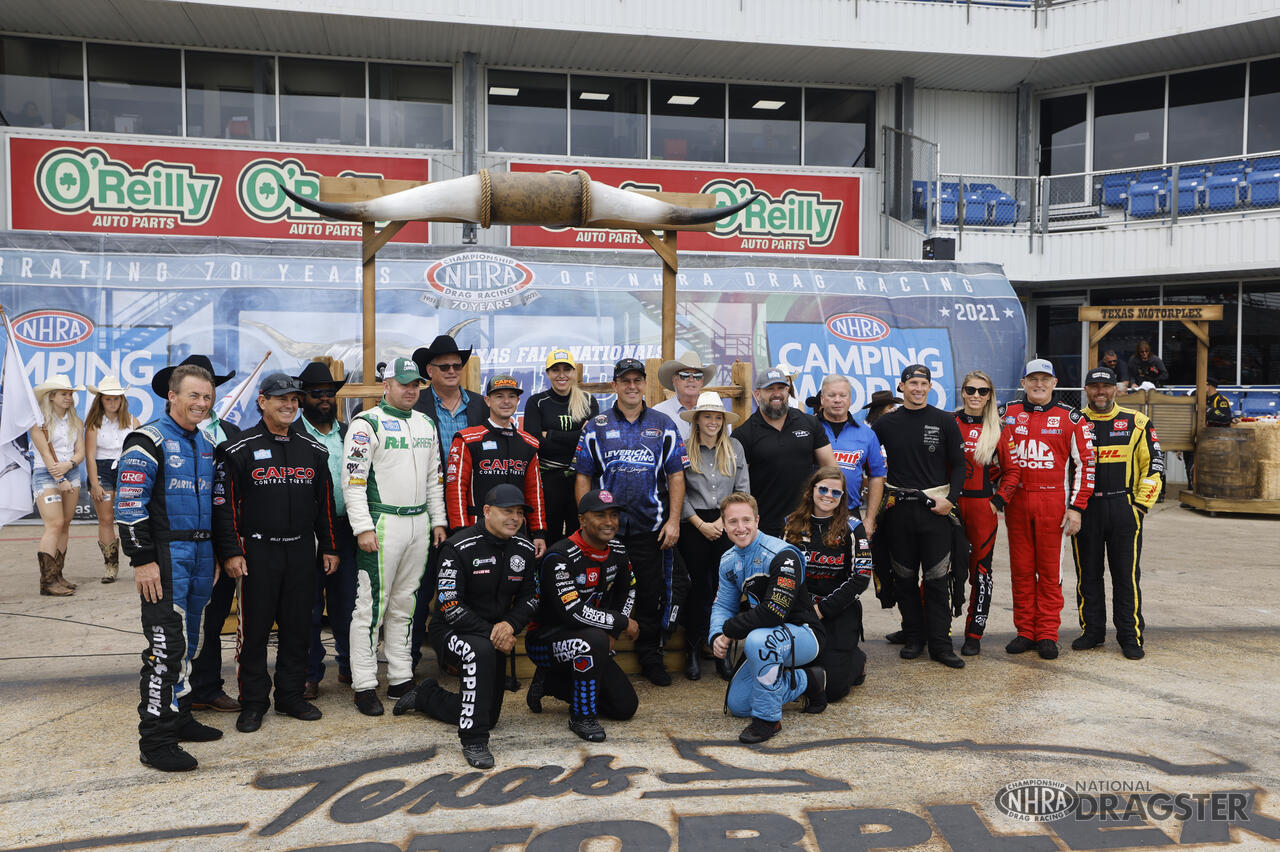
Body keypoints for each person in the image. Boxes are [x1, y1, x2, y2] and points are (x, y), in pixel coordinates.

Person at [213, 373, 339, 733]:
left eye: (294, 399)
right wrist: (232, 552)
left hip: (301, 551)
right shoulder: (238, 448)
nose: (289, 405)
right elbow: (225, 507)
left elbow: (325, 506)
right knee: (253, 632)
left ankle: (290, 696)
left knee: (298, 628)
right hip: (256, 553)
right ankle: (253, 702)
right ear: (262, 401)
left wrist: (329, 546)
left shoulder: (314, 450)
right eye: (281, 398)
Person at [116, 362, 222, 772]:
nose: (201, 403)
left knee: (191, 643)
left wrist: (214, 553)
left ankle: (179, 717)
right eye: (193, 395)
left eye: (207, 397)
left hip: (200, 555)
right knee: (166, 648)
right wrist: (142, 560)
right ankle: (156, 741)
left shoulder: (207, 442)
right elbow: (128, 505)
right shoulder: (147, 439)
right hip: (163, 556)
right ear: (172, 396)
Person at [392, 484, 538, 769]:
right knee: (480, 652)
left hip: (495, 632)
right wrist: (494, 632)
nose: (515, 518)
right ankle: (473, 740)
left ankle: (426, 696)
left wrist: (509, 625)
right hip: (451, 629)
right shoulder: (457, 547)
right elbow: (449, 605)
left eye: (519, 512)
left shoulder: (524, 548)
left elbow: (531, 597)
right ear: (486, 511)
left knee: (486, 713)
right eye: (507, 511)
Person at [343, 357, 447, 716]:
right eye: (403, 384)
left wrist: (439, 520)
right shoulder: (365, 423)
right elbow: (353, 482)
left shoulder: (426, 423)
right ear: (385, 386)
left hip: (419, 523)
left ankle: (401, 677)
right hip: (383, 522)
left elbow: (435, 478)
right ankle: (364, 683)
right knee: (371, 607)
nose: (410, 390)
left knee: (407, 603)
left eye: (416, 384)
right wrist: (363, 527)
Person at [574, 357, 688, 686]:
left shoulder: (663, 424)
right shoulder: (596, 426)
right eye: (625, 380)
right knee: (602, 594)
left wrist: (674, 521)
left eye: (638, 380)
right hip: (605, 532)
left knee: (651, 595)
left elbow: (677, 476)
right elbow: (583, 476)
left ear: (644, 384)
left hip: (650, 529)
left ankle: (651, 656)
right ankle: (602, 655)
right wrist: (585, 521)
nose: (632, 386)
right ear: (615, 386)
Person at [996, 358, 1095, 660]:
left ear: (1054, 383)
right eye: (1032, 379)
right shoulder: (1006, 414)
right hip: (1017, 502)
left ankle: (1048, 633)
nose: (1039, 384)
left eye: (1045, 379)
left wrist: (1077, 507)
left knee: (1050, 573)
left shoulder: (1071, 419)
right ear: (1022, 383)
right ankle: (1025, 630)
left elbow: (1086, 465)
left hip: (1053, 502)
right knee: (1022, 570)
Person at [524, 489, 640, 743]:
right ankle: (581, 717)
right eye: (600, 515)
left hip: (594, 636)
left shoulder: (618, 550)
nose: (609, 522)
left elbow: (628, 589)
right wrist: (619, 622)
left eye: (613, 515)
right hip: (543, 641)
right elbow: (573, 613)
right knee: (592, 642)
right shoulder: (560, 557)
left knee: (624, 707)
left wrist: (613, 631)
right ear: (582, 520)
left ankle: (549, 683)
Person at [711, 492, 826, 744]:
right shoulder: (728, 560)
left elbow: (774, 611)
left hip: (804, 633)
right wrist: (717, 634)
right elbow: (723, 604)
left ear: (757, 520)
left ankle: (768, 721)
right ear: (723, 524)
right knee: (739, 705)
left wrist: (730, 630)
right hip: (764, 634)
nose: (740, 528)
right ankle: (807, 680)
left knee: (758, 640)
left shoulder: (783, 554)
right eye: (732, 522)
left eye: (746, 520)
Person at [871, 365, 966, 669]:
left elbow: (959, 466)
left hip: (935, 510)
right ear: (901, 387)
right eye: (913, 383)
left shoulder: (945, 421)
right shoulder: (886, 423)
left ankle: (941, 644)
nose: (918, 388)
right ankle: (914, 637)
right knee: (905, 579)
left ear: (929, 387)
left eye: (924, 383)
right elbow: (868, 458)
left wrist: (950, 502)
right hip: (899, 510)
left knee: (938, 579)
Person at [1071, 366, 1162, 660]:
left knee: (1125, 576)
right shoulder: (1073, 422)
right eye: (1094, 387)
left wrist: (1139, 507)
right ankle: (1093, 631)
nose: (1100, 392)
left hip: (1124, 508)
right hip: (1086, 509)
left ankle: (1130, 635)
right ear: (1086, 390)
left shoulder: (1137, 422)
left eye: (1106, 387)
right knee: (1088, 576)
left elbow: (1154, 467)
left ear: (1116, 390)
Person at [410, 334, 488, 670]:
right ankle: (407, 663)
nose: (453, 371)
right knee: (420, 588)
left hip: (470, 510)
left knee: (467, 586)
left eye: (458, 365)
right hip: (425, 509)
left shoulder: (480, 405)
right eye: (445, 366)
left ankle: (458, 656)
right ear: (429, 370)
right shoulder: (416, 404)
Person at [296, 362, 359, 701]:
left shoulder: (350, 432)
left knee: (349, 603)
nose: (324, 399)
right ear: (302, 397)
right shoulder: (293, 435)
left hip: (346, 528)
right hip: (307, 532)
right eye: (316, 393)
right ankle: (310, 673)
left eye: (329, 394)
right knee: (307, 606)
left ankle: (351, 665)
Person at [783, 467, 872, 707]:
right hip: (802, 610)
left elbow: (861, 577)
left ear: (843, 497)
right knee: (789, 665)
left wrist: (822, 610)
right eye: (823, 489)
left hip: (839, 610)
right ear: (811, 490)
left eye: (836, 492)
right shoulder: (791, 523)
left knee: (832, 690)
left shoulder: (853, 527)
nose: (828, 495)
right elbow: (785, 572)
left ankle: (857, 660)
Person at [676, 391, 748, 681]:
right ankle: (692, 650)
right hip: (694, 523)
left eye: (718, 417)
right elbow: (676, 490)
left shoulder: (735, 447)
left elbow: (742, 488)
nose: (713, 422)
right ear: (697, 420)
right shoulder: (683, 449)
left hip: (726, 521)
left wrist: (723, 520)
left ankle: (721, 652)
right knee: (696, 589)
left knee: (725, 590)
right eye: (708, 416)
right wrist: (698, 522)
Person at [953, 370, 1018, 657]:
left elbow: (1013, 471)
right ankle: (934, 630)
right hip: (949, 507)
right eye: (970, 390)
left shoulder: (1000, 428)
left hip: (982, 507)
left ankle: (974, 634)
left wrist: (997, 502)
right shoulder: (948, 422)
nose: (976, 396)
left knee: (980, 573)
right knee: (940, 570)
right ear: (963, 392)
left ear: (990, 395)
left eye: (982, 391)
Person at [446, 374, 547, 556]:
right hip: (476, 529)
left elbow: (535, 491)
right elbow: (456, 488)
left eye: (511, 396)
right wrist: (460, 531)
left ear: (518, 400)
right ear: (488, 401)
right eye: (499, 396)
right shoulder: (468, 439)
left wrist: (539, 532)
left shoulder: (529, 443)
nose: (506, 401)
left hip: (516, 529)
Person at [733, 368, 837, 537]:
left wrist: (829, 511)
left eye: (781, 388)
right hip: (764, 528)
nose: (777, 394)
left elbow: (831, 470)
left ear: (788, 390)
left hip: (807, 522)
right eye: (770, 389)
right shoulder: (743, 434)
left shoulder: (809, 423)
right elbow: (738, 488)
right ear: (757, 394)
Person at [523, 349, 599, 542]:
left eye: (567, 369)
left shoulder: (588, 401)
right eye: (555, 370)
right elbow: (536, 445)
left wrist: (552, 434)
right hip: (549, 481)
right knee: (550, 536)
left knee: (580, 536)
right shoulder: (536, 402)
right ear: (547, 373)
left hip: (581, 479)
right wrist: (577, 436)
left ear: (574, 372)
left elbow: (590, 444)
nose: (561, 375)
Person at [29, 375, 86, 596]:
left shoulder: (76, 421)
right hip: (46, 473)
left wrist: (70, 465)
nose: (69, 398)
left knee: (65, 524)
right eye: (64, 394)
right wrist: (60, 479)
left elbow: (80, 452)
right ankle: (47, 581)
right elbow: (45, 454)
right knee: (55, 523)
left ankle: (58, 575)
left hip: (70, 471)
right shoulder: (38, 422)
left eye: (70, 394)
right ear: (51, 396)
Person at [814, 375, 886, 533]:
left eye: (842, 395)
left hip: (849, 512)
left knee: (850, 558)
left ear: (850, 399)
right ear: (822, 399)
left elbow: (877, 477)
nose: (837, 400)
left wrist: (869, 519)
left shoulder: (867, 434)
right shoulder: (809, 428)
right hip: (811, 513)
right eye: (831, 395)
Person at [84, 376, 138, 584]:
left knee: (131, 517)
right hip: (102, 469)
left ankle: (139, 560)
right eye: (108, 399)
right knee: (106, 519)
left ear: (122, 400)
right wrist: (94, 483)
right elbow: (90, 456)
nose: (113, 403)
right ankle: (110, 565)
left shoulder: (134, 422)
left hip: (128, 468)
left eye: (117, 399)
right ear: (101, 400)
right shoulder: (93, 425)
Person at [654, 353, 717, 441]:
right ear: (674, 380)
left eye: (697, 376)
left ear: (702, 382)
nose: (691, 380)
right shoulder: (659, 413)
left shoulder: (716, 410)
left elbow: (725, 443)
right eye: (684, 375)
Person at [1183, 377, 1234, 486]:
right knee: (1190, 467)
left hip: (1213, 440)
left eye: (1204, 385)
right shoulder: (1203, 399)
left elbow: (1225, 419)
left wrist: (1209, 412)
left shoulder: (1221, 400)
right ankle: (1191, 491)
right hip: (1200, 438)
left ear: (1209, 386)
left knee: (1196, 467)